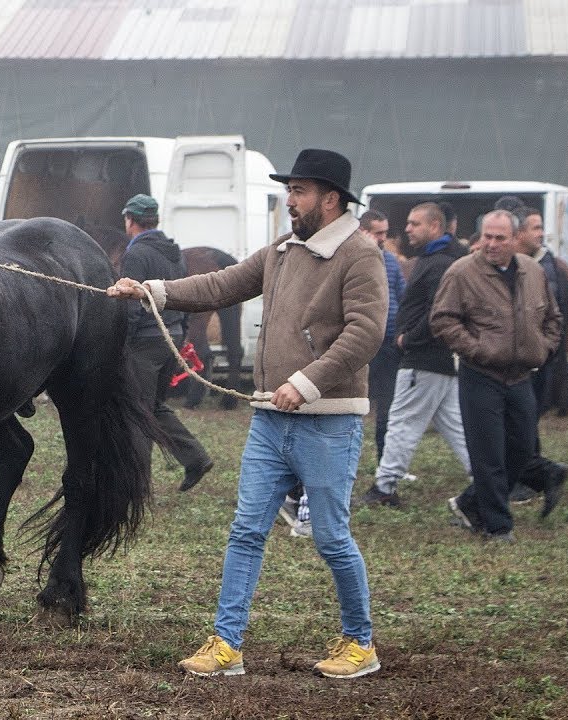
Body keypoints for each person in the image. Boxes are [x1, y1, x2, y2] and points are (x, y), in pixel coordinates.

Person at [109, 148, 387, 679]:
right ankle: (227, 643)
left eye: (299, 191)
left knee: (330, 536)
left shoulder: (360, 255)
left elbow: (366, 332)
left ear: (331, 199)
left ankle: (360, 643)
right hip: (269, 420)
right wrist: (153, 292)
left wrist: (305, 384)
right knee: (245, 531)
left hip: (328, 421)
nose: (290, 200)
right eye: (290, 190)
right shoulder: (282, 250)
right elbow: (223, 284)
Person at [431, 210, 563, 542]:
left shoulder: (532, 272)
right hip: (480, 375)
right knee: (487, 453)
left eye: (499, 238)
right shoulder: (461, 272)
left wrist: (544, 347)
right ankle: (497, 526)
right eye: (487, 236)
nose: (491, 244)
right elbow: (443, 320)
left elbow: (552, 316)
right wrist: (477, 350)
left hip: (521, 375)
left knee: (520, 450)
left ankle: (470, 502)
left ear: (516, 239)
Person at [361, 203, 472, 507]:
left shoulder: (437, 264)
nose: (407, 229)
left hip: (424, 358)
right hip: (439, 359)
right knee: (457, 425)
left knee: (401, 421)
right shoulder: (438, 260)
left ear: (435, 227)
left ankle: (384, 488)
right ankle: (489, 478)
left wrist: (409, 338)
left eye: (414, 223)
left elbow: (439, 311)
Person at [118, 193, 213, 492]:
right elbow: (181, 294)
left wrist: (124, 340)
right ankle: (194, 458)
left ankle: (136, 485)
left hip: (145, 341)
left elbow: (131, 303)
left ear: (131, 221)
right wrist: (181, 332)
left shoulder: (135, 255)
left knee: (137, 410)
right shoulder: (175, 254)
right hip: (169, 337)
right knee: (153, 406)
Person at [509, 206, 568, 504]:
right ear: (519, 233)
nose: (541, 233)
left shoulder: (545, 268)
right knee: (520, 422)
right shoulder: (516, 263)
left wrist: (544, 350)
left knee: (524, 421)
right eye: (535, 227)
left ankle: (534, 476)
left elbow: (553, 315)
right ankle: (534, 474)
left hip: (534, 360)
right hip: (516, 359)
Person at [360, 209, 405, 466]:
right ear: (363, 231)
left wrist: (401, 331)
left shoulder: (390, 261)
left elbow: (403, 296)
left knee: (387, 408)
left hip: (388, 345)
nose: (383, 238)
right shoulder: (349, 260)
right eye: (378, 233)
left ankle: (383, 462)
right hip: (360, 346)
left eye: (385, 233)